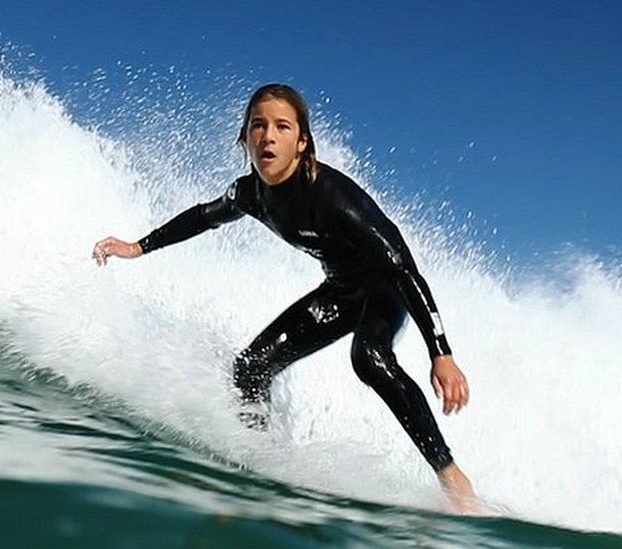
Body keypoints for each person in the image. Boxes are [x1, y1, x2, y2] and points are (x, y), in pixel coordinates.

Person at [91, 83, 476, 508]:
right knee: (250, 368)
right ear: (245, 138)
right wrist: (138, 246)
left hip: (387, 290)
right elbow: (204, 217)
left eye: (282, 126)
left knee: (369, 358)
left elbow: (403, 267)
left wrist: (440, 352)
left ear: (302, 141)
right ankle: (261, 461)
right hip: (340, 292)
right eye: (258, 126)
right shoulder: (251, 194)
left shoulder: (335, 198)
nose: (268, 136)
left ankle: (452, 477)